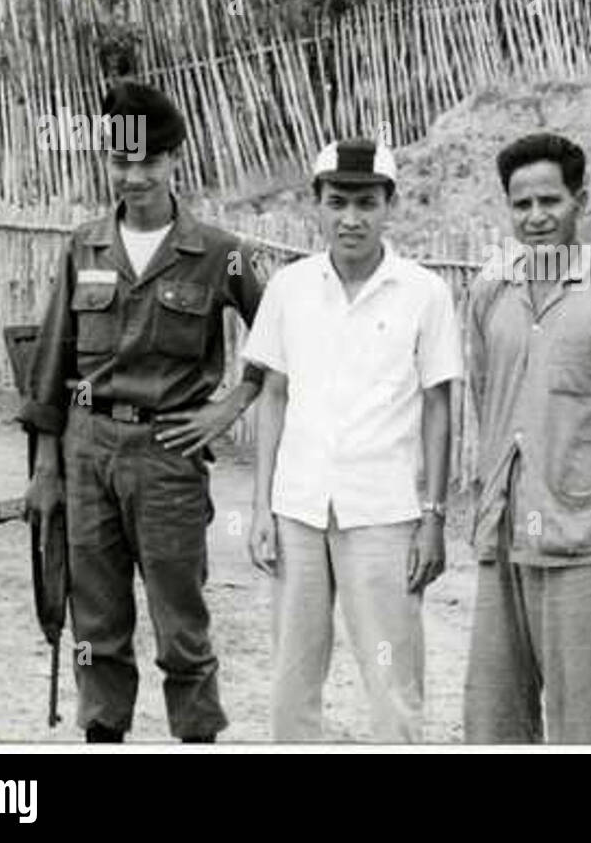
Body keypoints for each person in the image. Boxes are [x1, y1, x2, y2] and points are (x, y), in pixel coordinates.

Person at [20, 82, 266, 743]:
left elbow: (280, 335)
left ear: (175, 159)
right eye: (122, 162)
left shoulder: (221, 251)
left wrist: (230, 405)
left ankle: (196, 736)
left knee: (180, 621)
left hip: (168, 456)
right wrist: (47, 469)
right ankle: (104, 734)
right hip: (85, 447)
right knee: (95, 621)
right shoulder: (83, 246)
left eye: (149, 161)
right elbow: (51, 364)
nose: (135, 176)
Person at [242, 138, 462, 742]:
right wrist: (261, 507)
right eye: (337, 202)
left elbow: (439, 406)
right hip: (298, 509)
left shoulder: (424, 292)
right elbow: (275, 394)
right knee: (293, 674)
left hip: (382, 512)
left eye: (367, 203)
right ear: (316, 204)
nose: (351, 219)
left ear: (390, 205)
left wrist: (433, 516)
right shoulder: (290, 287)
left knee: (392, 675)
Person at [463, 134, 591, 743]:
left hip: (586, 535)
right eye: (521, 205)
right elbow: (485, 400)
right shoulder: (489, 292)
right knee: (494, 718)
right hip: (504, 531)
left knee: (585, 724)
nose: (536, 217)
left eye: (550, 200)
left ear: (582, 200)